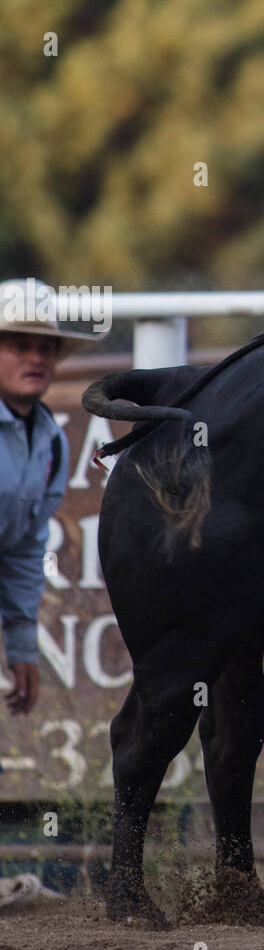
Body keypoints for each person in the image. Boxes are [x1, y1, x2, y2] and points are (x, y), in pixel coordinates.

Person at [0, 280, 87, 719]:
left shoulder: (51, 441)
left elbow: (22, 550)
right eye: (20, 346)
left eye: (45, 348)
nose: (36, 358)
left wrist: (21, 646)